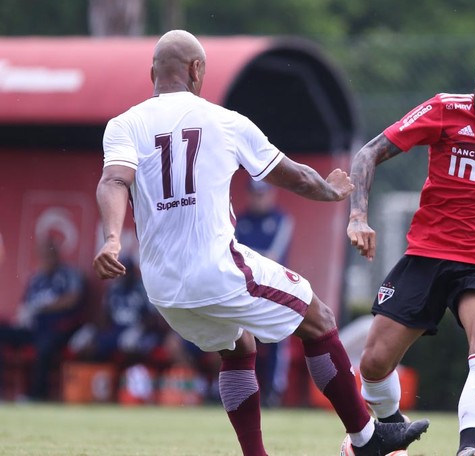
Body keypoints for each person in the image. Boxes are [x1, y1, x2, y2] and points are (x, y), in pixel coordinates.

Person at [92, 30, 428, 456]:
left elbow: (113, 180)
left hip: (161, 286)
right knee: (319, 319)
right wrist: (330, 191)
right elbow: (294, 175)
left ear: (152, 73)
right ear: (198, 71)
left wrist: (110, 239)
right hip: (216, 269)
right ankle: (366, 437)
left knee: (239, 346)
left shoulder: (124, 125)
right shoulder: (225, 121)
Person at [347, 38, 475, 456]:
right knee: (372, 363)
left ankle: (469, 448)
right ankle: (390, 433)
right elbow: (367, 154)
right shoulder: (445, 109)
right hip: (428, 253)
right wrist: (357, 217)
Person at [0, 236, 86, 400]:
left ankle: (37, 395)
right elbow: (26, 304)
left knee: (44, 345)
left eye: (50, 253)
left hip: (59, 328)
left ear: (57, 254)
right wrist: (24, 314)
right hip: (34, 327)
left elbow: (72, 299)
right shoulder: (36, 278)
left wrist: (44, 306)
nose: (46, 258)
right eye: (43, 254)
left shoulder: (70, 274)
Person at [235, 180, 295, 407]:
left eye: (263, 194)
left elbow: (273, 256)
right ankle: (239, 391)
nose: (259, 198)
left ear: (272, 194)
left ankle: (273, 391)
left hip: (273, 293)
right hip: (243, 292)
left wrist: (248, 257)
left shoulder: (281, 220)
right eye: (255, 194)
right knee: (234, 337)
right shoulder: (239, 221)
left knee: (279, 337)